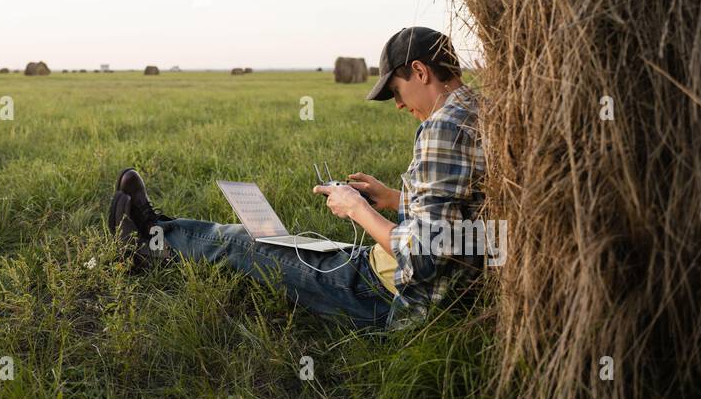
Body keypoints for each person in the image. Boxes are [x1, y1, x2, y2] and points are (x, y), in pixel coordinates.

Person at [107, 26, 486, 330]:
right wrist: (392, 200)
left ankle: (151, 238)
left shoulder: (441, 129)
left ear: (420, 71)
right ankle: (158, 234)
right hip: (413, 276)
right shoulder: (481, 113)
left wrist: (357, 211)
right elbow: (464, 225)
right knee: (294, 245)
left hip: (387, 295)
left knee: (250, 243)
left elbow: (426, 255)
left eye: (397, 91)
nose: (400, 105)